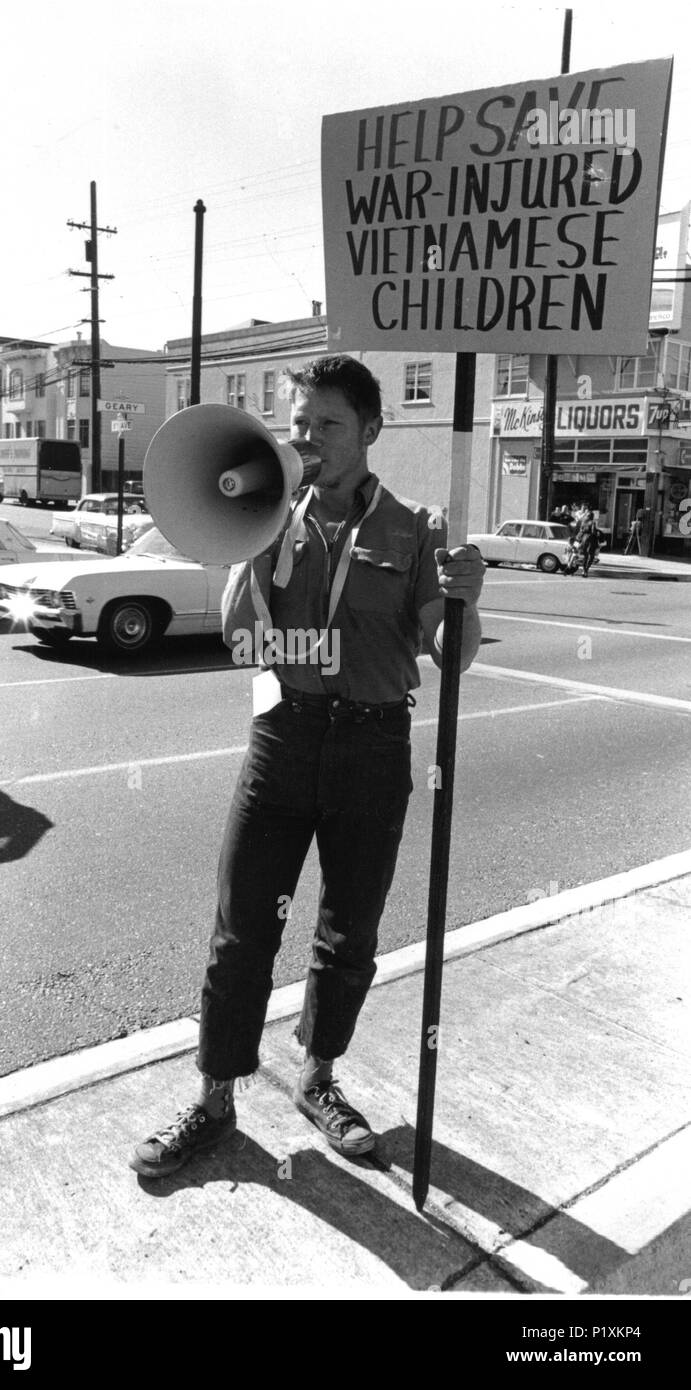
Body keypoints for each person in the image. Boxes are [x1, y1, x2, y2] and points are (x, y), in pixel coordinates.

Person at [129, 354, 485, 1179]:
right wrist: (258, 535)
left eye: (326, 425)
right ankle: (215, 1097)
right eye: (298, 425)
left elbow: (449, 653)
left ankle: (318, 1079)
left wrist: (465, 597)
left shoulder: (412, 527)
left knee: (347, 932)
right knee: (241, 928)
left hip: (369, 744)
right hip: (283, 737)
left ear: (368, 431)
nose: (308, 439)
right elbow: (236, 637)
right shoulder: (269, 515)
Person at [577, 510, 601, 576]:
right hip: (591, 540)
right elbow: (593, 531)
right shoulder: (593, 522)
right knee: (591, 556)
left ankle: (584, 570)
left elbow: (581, 530)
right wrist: (597, 534)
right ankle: (586, 570)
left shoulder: (583, 522)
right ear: (592, 517)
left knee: (585, 556)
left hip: (584, 539)